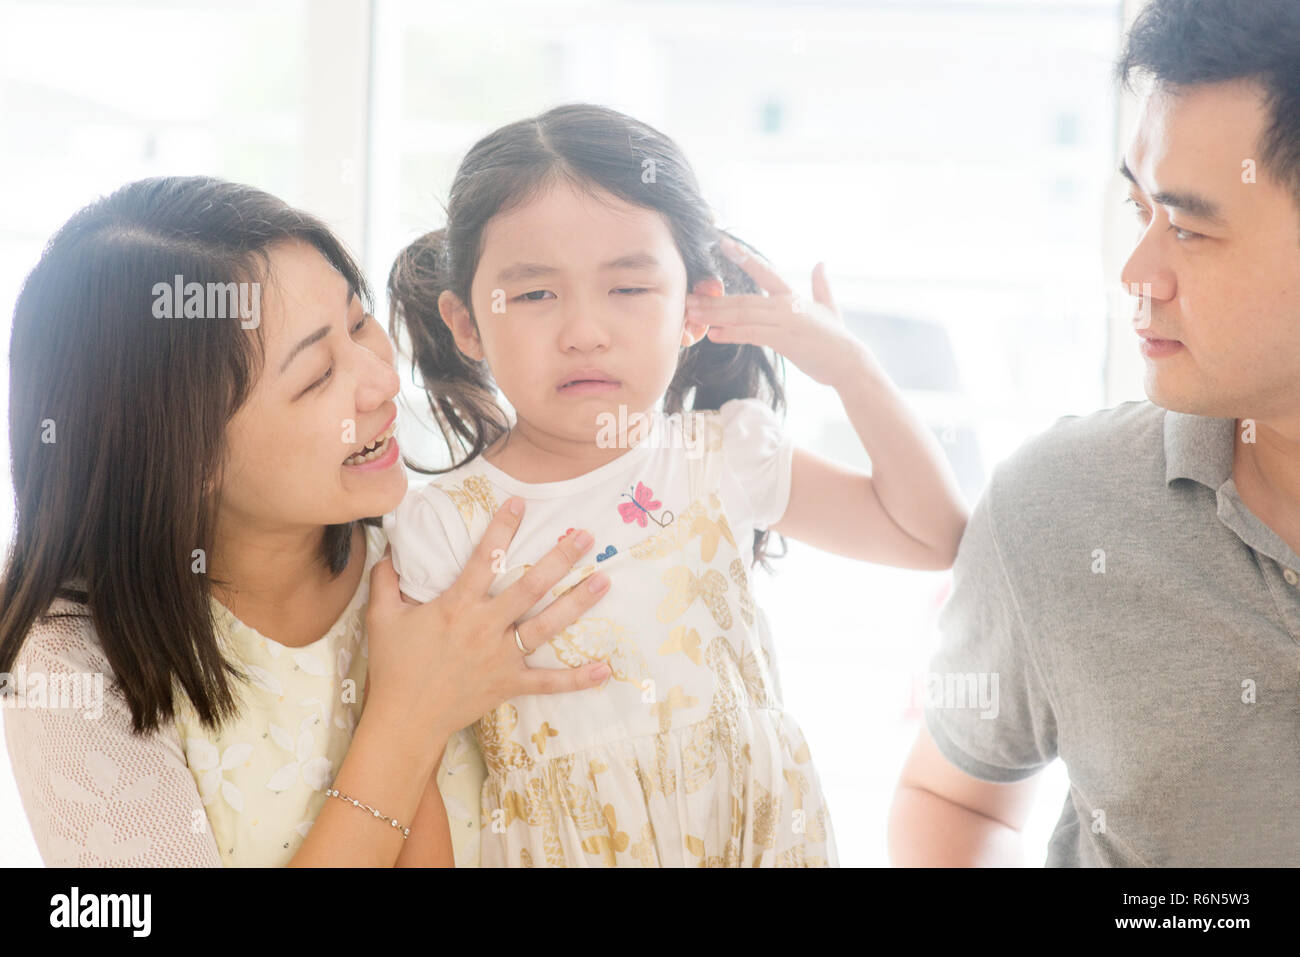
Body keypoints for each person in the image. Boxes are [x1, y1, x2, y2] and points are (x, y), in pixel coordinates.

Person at [384, 103, 968, 866]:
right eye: (534, 295)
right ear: (466, 324)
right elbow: (413, 746)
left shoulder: (720, 456)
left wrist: (850, 369)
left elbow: (932, 534)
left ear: (696, 307)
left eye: (628, 289)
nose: (584, 330)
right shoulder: (447, 529)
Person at [0, 175, 614, 867]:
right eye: (318, 375)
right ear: (181, 451)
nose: (384, 381)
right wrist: (407, 719)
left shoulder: (443, 544)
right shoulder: (71, 659)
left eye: (358, 323)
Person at [888, 0, 1300, 866]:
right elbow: (953, 798)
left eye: (1188, 227)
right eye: (1137, 205)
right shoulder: (1057, 506)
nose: (1137, 273)